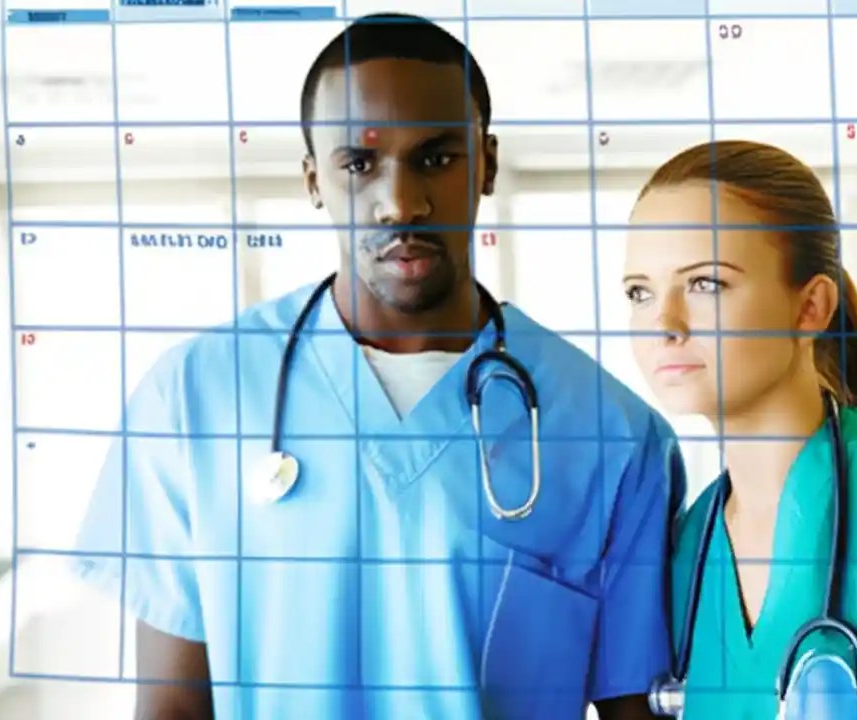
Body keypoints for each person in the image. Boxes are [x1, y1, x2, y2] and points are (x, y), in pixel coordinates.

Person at [70, 13, 685, 720]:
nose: (400, 202)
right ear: (312, 180)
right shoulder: (191, 397)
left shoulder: (614, 435)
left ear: (485, 164)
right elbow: (173, 707)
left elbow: (631, 709)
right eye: (359, 164)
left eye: (436, 157)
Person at [621, 139, 857, 719]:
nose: (665, 323)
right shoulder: (688, 546)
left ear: (810, 307)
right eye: (640, 292)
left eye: (706, 284)